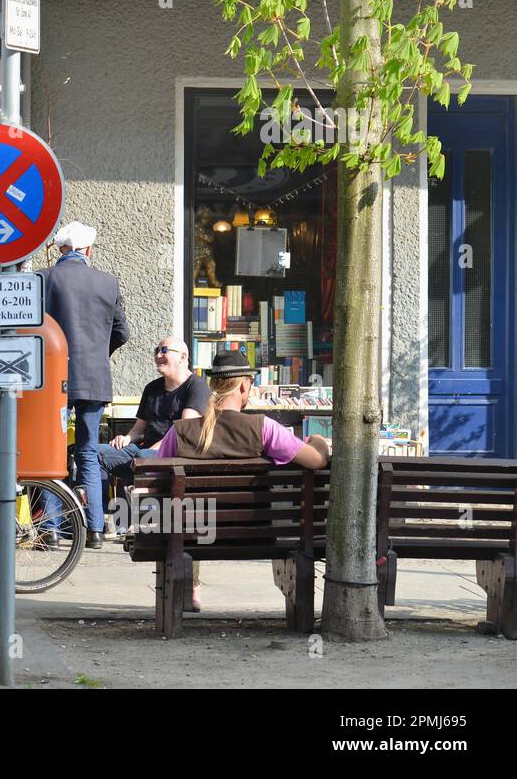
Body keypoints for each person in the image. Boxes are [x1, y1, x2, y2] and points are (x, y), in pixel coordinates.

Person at [155, 349, 331, 609]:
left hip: (194, 536)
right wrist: (318, 440)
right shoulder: (264, 428)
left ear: (213, 385)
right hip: (256, 534)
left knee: (184, 514)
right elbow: (317, 460)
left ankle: (185, 592)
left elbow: (156, 480)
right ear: (245, 385)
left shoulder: (180, 432)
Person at [41, 221, 130, 548]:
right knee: (89, 452)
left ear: (62, 250)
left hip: (53, 380)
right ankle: (94, 529)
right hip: (94, 378)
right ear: (88, 251)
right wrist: (96, 355)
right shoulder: (108, 282)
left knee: (51, 451)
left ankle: (50, 529)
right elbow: (123, 332)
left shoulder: (45, 279)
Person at [98, 336, 209, 534]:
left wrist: (153, 450)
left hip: (176, 455)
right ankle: (100, 519)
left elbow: (183, 431)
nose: (158, 355)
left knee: (143, 458)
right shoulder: (152, 388)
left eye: (164, 351)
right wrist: (127, 438)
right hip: (144, 451)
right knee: (97, 453)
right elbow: (139, 428)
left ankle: (130, 521)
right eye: (156, 350)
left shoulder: (196, 386)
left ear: (183, 357)